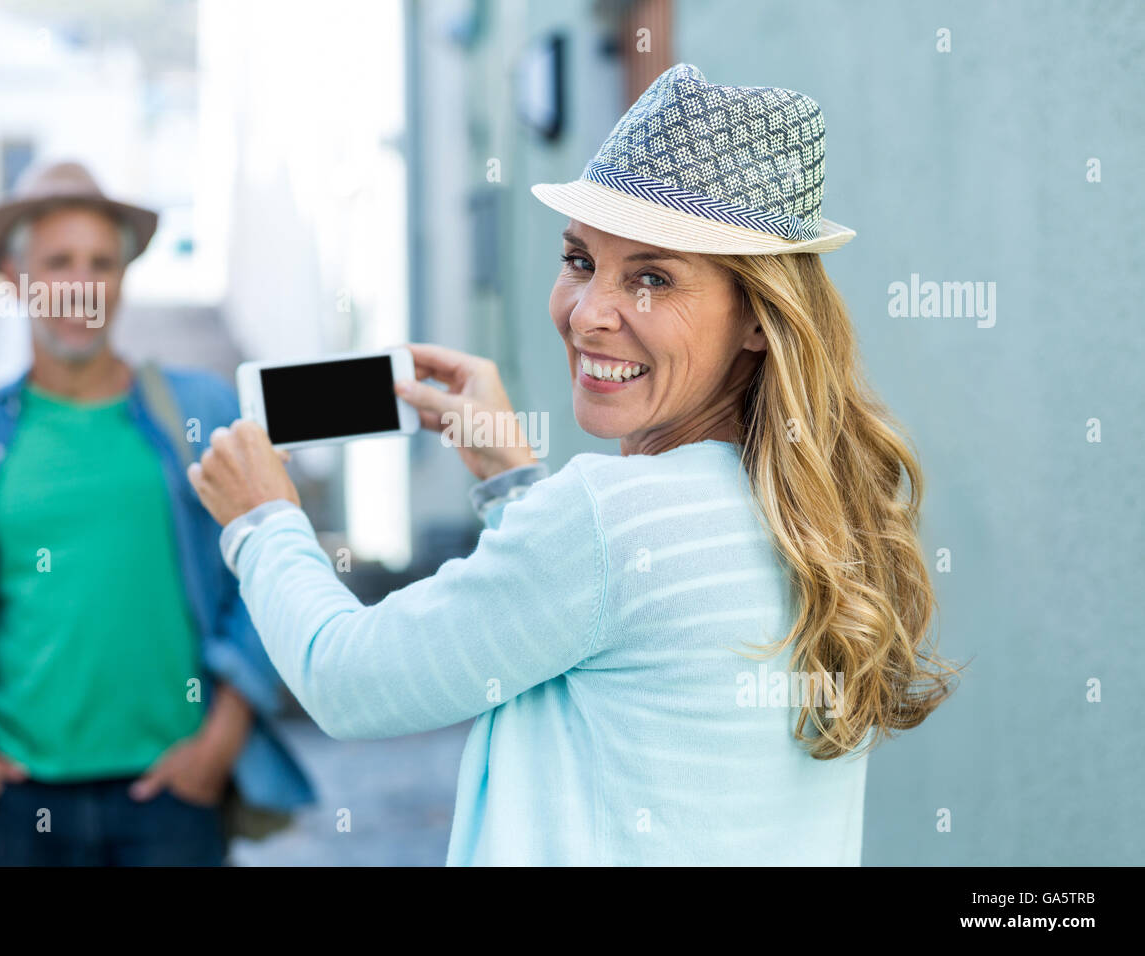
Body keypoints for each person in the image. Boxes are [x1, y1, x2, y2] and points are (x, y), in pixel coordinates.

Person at [190, 65, 958, 865]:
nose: (589, 313)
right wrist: (514, 482)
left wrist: (262, 520)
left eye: (652, 278)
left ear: (759, 319)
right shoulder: (821, 515)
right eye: (581, 260)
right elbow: (606, 631)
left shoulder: (610, 518)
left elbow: (345, 679)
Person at [0, 161, 315, 866]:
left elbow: (266, 578)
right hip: (20, 805)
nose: (81, 285)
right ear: (15, 279)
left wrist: (221, 741)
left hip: (174, 800)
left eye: (101, 262)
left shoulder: (200, 413)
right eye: (58, 263)